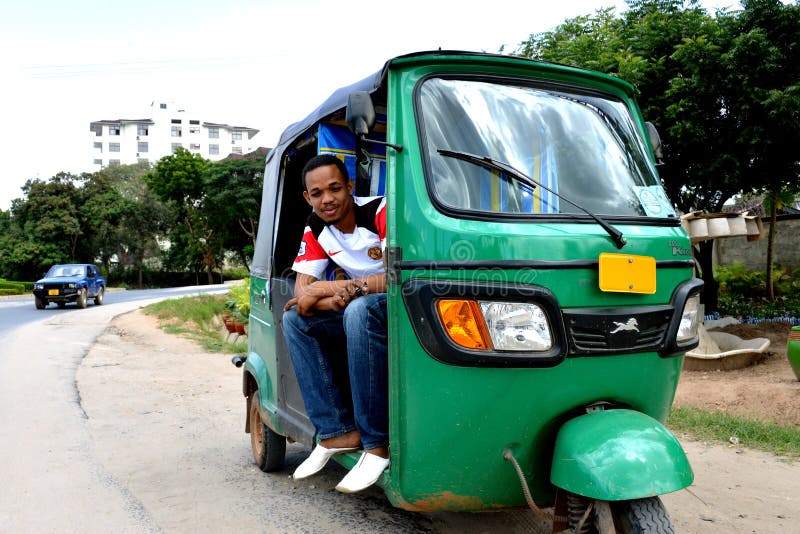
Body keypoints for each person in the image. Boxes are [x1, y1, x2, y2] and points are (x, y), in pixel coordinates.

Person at [282, 154, 389, 493]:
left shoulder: (380, 212)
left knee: (359, 311)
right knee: (294, 319)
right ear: (308, 198)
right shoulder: (315, 226)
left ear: (349, 187)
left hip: (398, 303)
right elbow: (302, 293)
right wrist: (337, 292)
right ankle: (338, 430)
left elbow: (400, 277)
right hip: (359, 300)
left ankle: (376, 444)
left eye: (334, 189)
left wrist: (332, 289)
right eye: (317, 193)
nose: (326, 199)